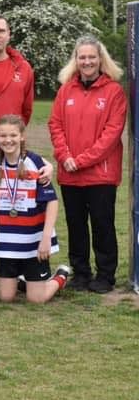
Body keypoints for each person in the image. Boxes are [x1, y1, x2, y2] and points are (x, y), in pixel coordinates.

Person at [47, 36, 126, 293]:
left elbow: (111, 134)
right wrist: (64, 156)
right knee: (76, 225)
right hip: (70, 173)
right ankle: (80, 273)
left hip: (100, 174)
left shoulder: (114, 91)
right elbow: (55, 124)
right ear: (76, 60)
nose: (87, 61)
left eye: (92, 57)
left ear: (100, 59)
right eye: (82, 57)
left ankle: (105, 275)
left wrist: (80, 161)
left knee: (102, 225)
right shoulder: (65, 90)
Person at [0, 115, 70, 303]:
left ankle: (60, 276)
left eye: (13, 135)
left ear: (22, 136)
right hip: (8, 240)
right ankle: (25, 280)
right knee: (5, 297)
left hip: (34, 240)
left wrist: (45, 238)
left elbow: (52, 202)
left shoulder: (35, 163)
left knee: (36, 299)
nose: (8, 140)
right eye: (3, 136)